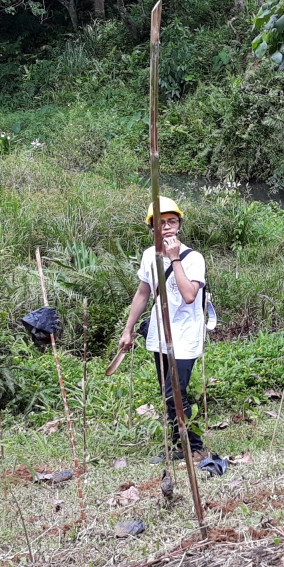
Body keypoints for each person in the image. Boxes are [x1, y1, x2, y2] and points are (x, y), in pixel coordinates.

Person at [117, 196, 217, 466]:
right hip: (160, 334)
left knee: (175, 392)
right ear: (153, 229)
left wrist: (174, 259)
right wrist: (128, 330)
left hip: (185, 335)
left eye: (172, 221)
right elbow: (142, 293)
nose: (168, 227)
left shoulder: (194, 258)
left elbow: (188, 295)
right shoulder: (149, 255)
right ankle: (180, 444)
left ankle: (193, 447)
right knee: (168, 392)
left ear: (179, 225)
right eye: (161, 223)